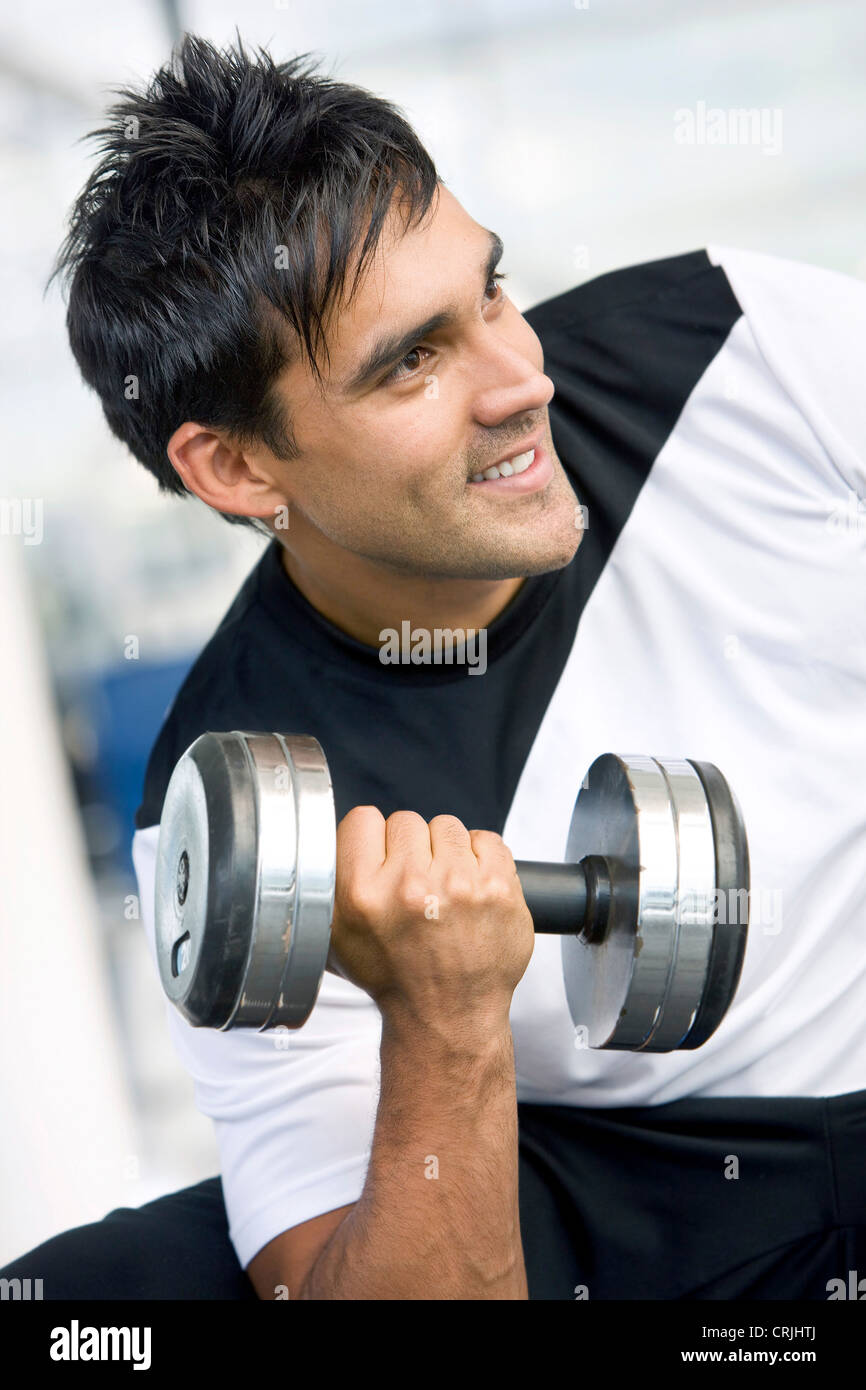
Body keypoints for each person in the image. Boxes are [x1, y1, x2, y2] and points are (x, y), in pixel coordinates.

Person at [4, 32, 865, 1301]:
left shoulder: (743, 345)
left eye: (492, 293)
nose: (521, 381)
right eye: (412, 359)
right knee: (94, 1294)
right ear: (237, 467)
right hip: (676, 1219)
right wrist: (442, 1010)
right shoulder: (237, 792)